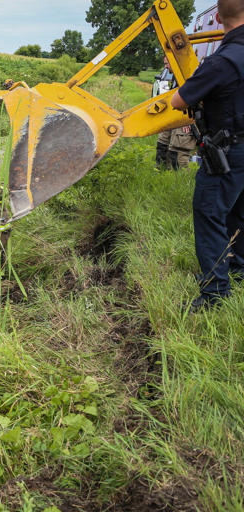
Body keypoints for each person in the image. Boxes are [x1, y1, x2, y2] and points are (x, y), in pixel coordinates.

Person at [171, 0, 244, 311]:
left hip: (227, 152)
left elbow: (177, 101)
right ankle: (237, 270)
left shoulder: (221, 62)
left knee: (210, 214)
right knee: (238, 211)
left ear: (219, 16)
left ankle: (215, 293)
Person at [155, 57, 197, 169]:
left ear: (175, 61)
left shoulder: (188, 75)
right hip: (174, 116)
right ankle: (162, 173)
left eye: (167, 64)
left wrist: (188, 121)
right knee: (163, 144)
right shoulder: (176, 76)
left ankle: (180, 177)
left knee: (179, 152)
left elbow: (194, 98)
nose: (165, 67)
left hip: (185, 118)